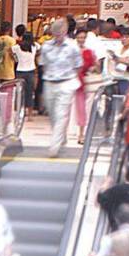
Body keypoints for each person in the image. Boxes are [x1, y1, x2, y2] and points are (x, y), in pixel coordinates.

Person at [39, 18, 83, 156]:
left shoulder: (73, 46)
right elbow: (43, 64)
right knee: (53, 114)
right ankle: (61, 137)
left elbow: (78, 66)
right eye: (55, 34)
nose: (57, 37)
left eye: (60, 34)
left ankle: (54, 145)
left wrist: (70, 78)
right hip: (50, 82)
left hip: (67, 82)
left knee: (61, 114)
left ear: (65, 32)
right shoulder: (46, 46)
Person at [11, 31, 39, 111]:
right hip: (31, 71)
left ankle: (19, 110)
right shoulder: (35, 46)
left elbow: (10, 51)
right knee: (30, 92)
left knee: (19, 92)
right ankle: (29, 113)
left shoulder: (17, 47)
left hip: (20, 70)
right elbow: (39, 49)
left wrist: (16, 60)